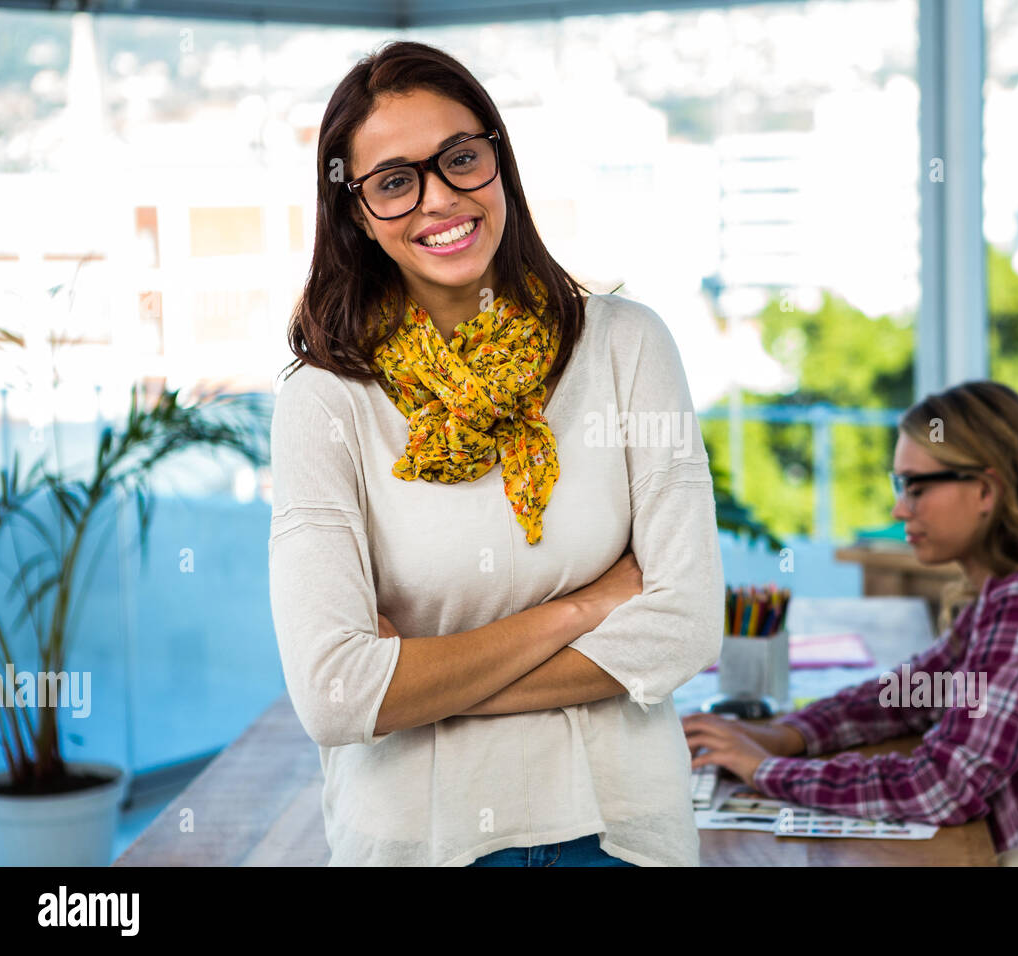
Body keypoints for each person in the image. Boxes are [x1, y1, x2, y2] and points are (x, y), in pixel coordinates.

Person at [268, 40, 723, 867]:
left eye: (462, 159)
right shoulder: (324, 401)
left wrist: (416, 685)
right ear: (358, 215)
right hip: (418, 839)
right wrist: (582, 608)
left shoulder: (627, 347)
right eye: (396, 180)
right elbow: (335, 694)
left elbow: (687, 624)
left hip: (618, 829)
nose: (440, 198)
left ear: (499, 165)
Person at [683, 380, 1018, 853]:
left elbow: (942, 785)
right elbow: (904, 696)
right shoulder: (1010, 594)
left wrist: (766, 769)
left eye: (917, 486)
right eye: (900, 486)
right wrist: (789, 734)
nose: (899, 509)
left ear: (985, 490)